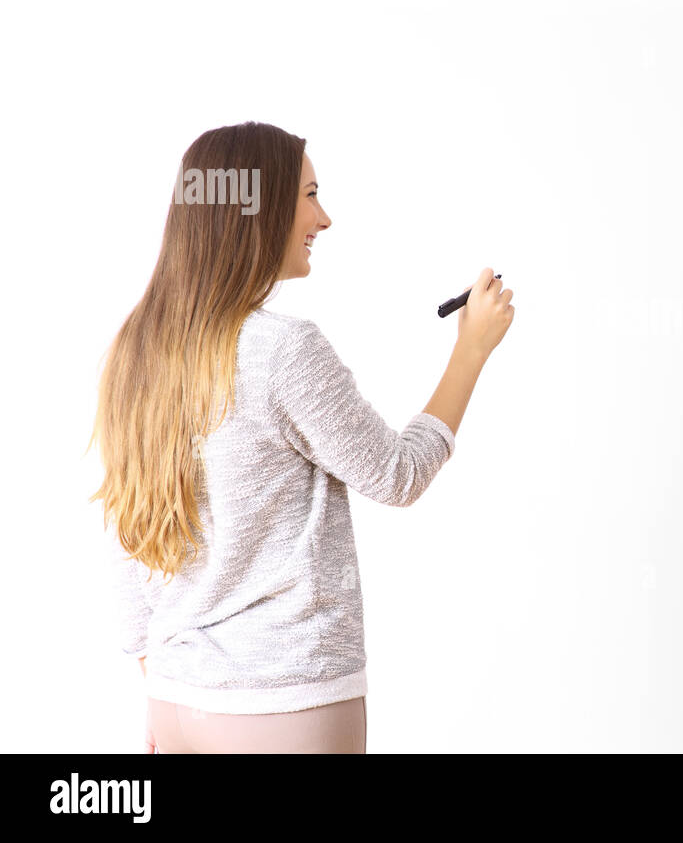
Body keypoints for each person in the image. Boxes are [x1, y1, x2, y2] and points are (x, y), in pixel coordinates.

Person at [90, 122, 513, 753]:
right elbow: (397, 475)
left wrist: (158, 681)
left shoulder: (137, 349)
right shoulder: (282, 351)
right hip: (283, 705)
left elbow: (129, 529)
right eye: (309, 194)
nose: (325, 217)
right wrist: (471, 351)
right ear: (255, 210)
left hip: (177, 697)